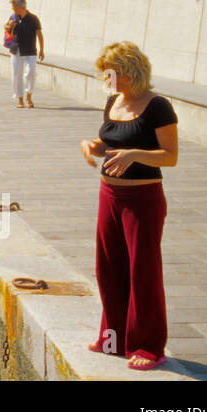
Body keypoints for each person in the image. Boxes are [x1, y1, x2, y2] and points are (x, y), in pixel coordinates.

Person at [80, 42, 178, 371]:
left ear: (129, 71)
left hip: (143, 198)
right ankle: (113, 339)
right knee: (108, 268)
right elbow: (111, 141)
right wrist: (93, 145)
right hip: (109, 194)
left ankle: (149, 345)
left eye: (111, 72)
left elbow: (170, 156)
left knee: (142, 270)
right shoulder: (112, 101)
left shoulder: (157, 106)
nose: (106, 78)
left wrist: (135, 154)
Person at [8, 0, 43, 108]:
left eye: (13, 7)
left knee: (31, 72)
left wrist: (42, 50)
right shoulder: (13, 17)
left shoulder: (33, 18)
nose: (12, 9)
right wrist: (10, 25)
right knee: (16, 75)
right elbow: (6, 27)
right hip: (16, 50)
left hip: (30, 50)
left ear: (19, 6)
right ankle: (20, 99)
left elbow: (39, 35)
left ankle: (29, 95)